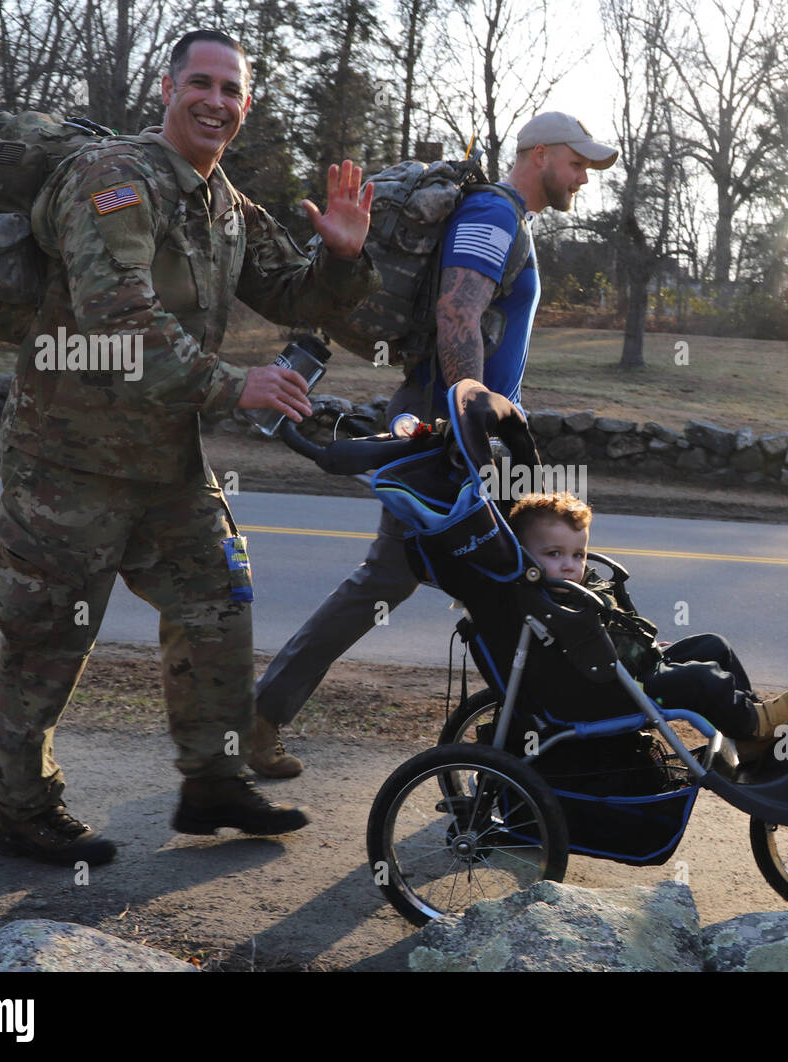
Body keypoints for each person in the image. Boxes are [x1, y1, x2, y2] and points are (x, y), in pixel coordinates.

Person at [0, 28, 379, 866]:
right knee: (50, 634)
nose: (217, 102)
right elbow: (116, 318)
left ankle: (213, 780)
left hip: (165, 464)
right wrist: (236, 387)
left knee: (216, 599)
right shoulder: (115, 180)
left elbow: (291, 292)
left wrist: (342, 258)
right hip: (68, 462)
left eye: (233, 90)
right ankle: (21, 810)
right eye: (201, 83)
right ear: (167, 90)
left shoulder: (223, 202)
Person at [251, 112, 619, 776]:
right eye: (576, 163)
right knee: (395, 576)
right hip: (446, 422)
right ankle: (261, 717)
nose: (583, 178)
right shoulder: (494, 214)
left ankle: (524, 746)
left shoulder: (511, 220)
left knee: (499, 580)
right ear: (538, 155)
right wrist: (468, 412)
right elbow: (457, 311)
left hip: (464, 425)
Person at [509, 492, 788, 761]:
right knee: (701, 679)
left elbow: (611, 637)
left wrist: (646, 648)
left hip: (629, 670)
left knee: (713, 645)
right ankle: (752, 723)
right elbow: (589, 652)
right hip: (614, 693)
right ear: (525, 557)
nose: (569, 565)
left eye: (578, 555)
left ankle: (748, 727)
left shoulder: (570, 591)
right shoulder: (552, 605)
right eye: (554, 554)